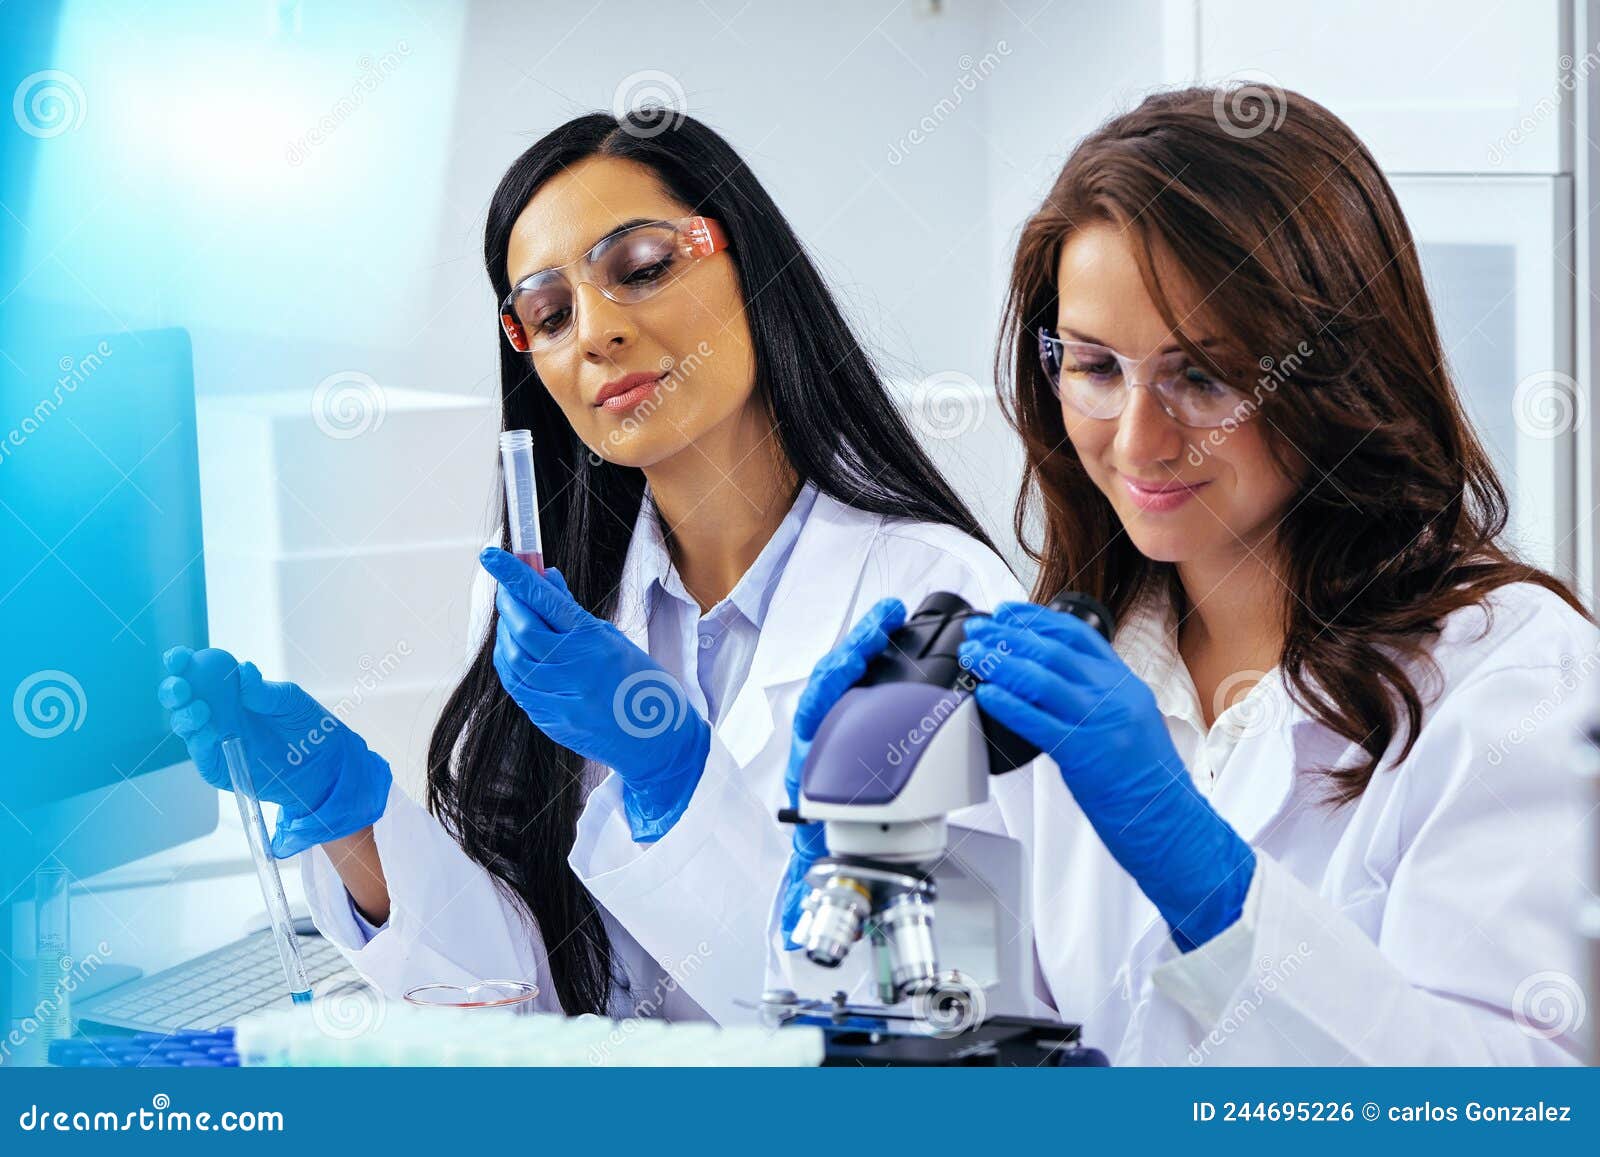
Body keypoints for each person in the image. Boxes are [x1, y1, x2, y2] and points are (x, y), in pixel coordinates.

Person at [156, 109, 1026, 1024]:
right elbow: (524, 996)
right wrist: (345, 813)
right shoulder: (551, 610)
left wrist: (673, 776)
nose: (595, 333)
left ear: (750, 261)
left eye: (642, 268)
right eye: (550, 315)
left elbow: (941, 1018)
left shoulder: (935, 600)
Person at [802, 87, 1597, 1064]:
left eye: (1203, 376)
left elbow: (1517, 1108)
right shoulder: (1072, 676)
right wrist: (862, 848)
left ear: (1338, 376)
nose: (1138, 439)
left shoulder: (1513, 679)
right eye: (1095, 366)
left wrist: (1213, 889)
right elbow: (959, 1044)